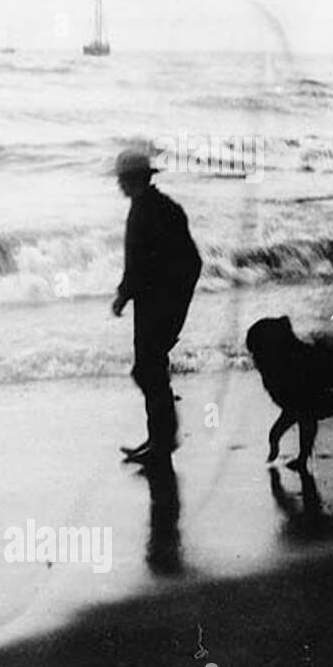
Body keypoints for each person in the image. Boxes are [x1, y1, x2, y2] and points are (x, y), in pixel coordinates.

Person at [111, 148, 202, 464]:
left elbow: (136, 264)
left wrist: (124, 295)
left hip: (154, 304)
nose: (118, 184)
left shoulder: (144, 212)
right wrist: (178, 301)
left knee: (148, 370)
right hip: (165, 301)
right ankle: (161, 438)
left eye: (121, 178)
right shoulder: (164, 207)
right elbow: (193, 261)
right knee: (151, 369)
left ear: (131, 179)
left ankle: (163, 441)